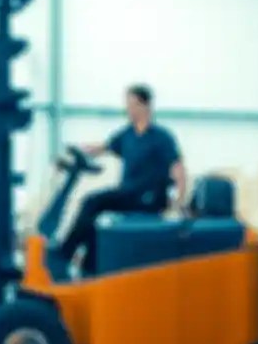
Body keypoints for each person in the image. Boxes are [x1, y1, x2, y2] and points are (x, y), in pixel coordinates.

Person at [52, 84, 186, 276]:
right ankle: (90, 265)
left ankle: (65, 252)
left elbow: (178, 169)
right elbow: (103, 148)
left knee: (93, 201)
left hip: (148, 198)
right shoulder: (128, 134)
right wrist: (76, 151)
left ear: (145, 106)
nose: (128, 109)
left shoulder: (161, 138)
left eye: (131, 104)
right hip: (128, 194)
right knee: (93, 218)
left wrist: (179, 202)